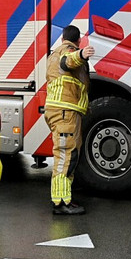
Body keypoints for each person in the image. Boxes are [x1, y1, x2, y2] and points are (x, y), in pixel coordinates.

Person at [44, 24, 93, 215]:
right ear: (77, 40)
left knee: (68, 156)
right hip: (65, 112)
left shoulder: (54, 53)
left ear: (63, 37)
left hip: (63, 111)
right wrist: (82, 54)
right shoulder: (68, 51)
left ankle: (63, 198)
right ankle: (61, 202)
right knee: (66, 157)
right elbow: (68, 62)